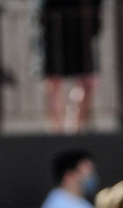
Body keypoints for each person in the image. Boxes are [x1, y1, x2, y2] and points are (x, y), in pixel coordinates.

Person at [41, 0, 100, 133]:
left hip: (83, 32)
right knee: (53, 82)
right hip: (54, 30)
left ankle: (76, 127)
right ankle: (56, 131)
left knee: (88, 82)